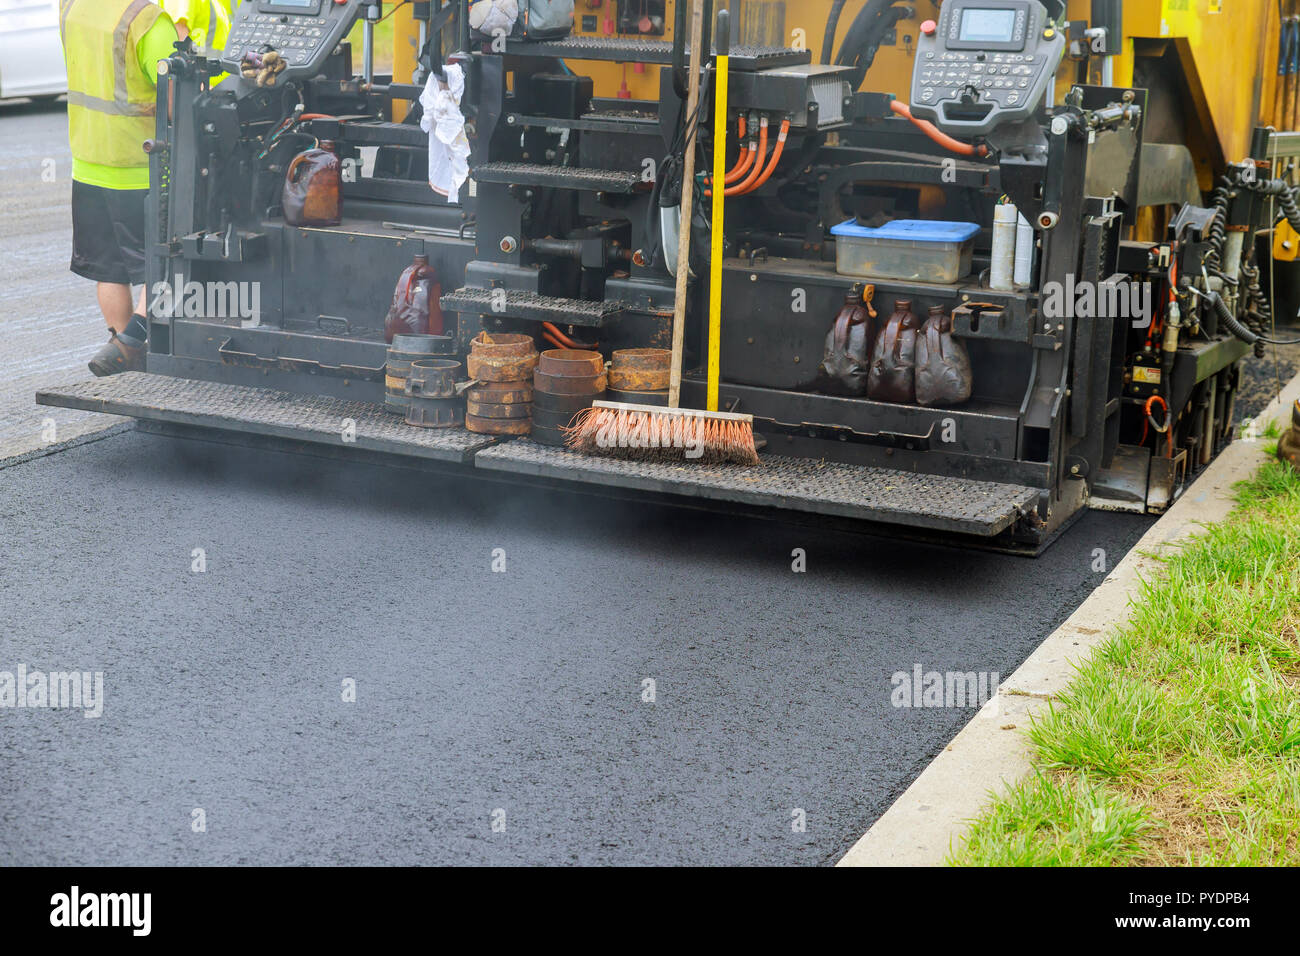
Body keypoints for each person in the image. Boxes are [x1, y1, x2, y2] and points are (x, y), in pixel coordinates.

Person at [61, 0, 178, 376]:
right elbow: (177, 98)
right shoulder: (145, 19)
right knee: (160, 263)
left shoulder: (71, 6)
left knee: (109, 268)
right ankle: (133, 339)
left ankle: (122, 348)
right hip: (138, 165)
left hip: (89, 160)